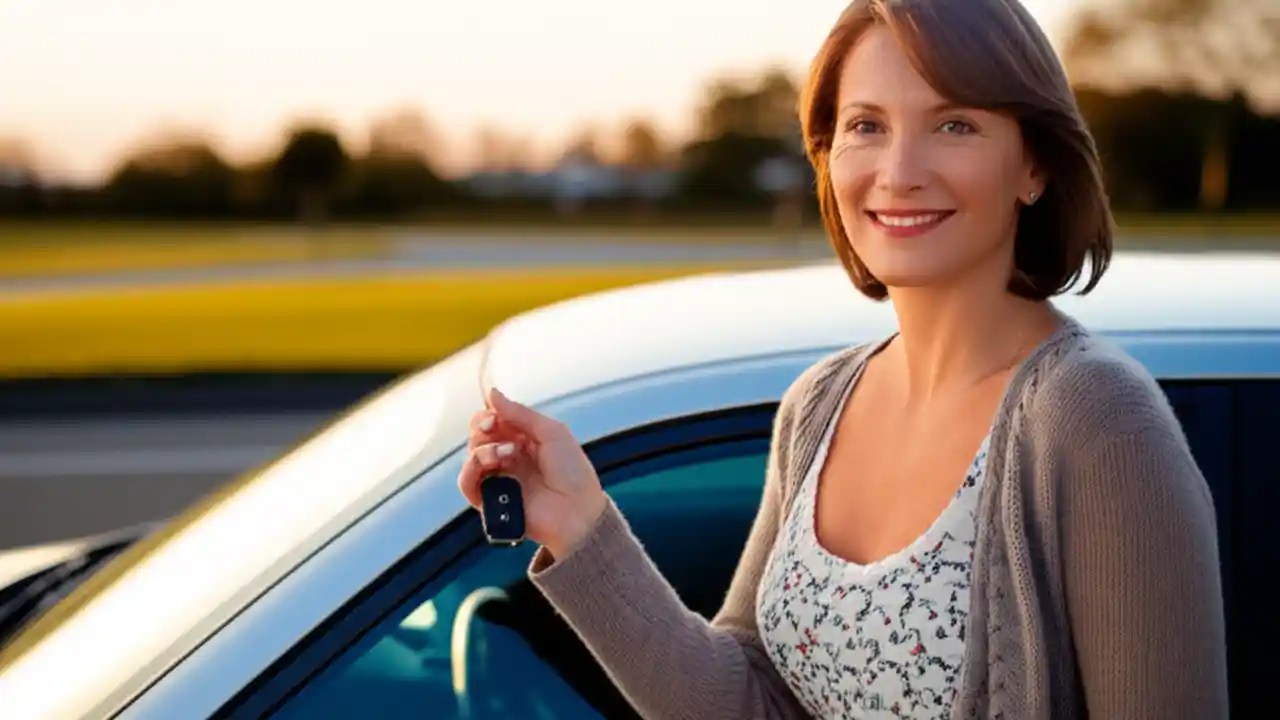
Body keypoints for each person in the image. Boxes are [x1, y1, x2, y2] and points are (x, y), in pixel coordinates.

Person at [457, 0, 1229, 717]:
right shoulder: (819, 403)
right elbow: (745, 702)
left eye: (954, 125)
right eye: (866, 126)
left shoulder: (1096, 421)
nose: (898, 171)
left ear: (1034, 166)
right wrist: (578, 524)